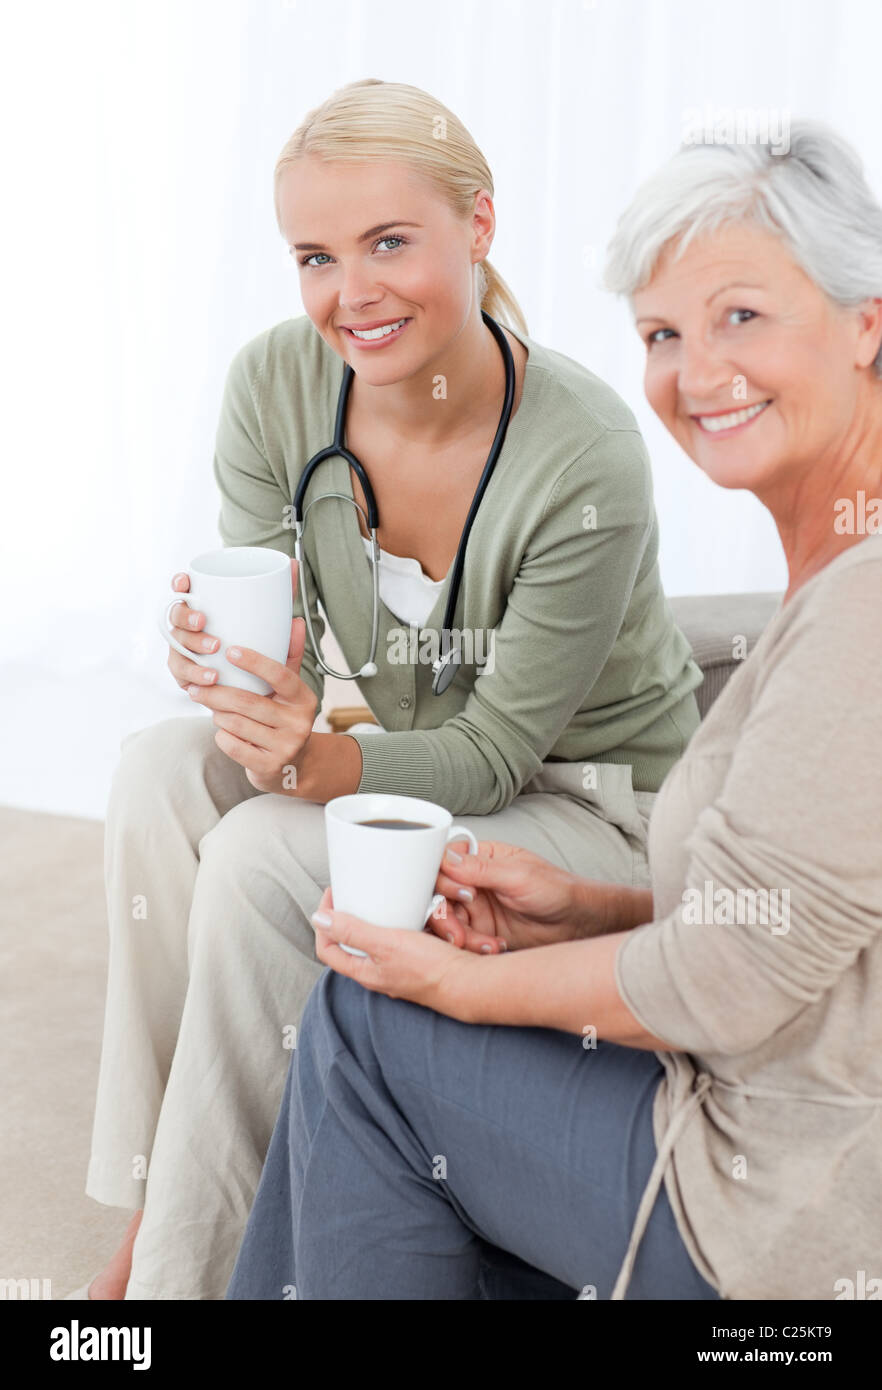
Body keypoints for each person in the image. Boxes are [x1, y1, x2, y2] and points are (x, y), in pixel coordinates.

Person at [226, 118, 882, 1302]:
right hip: (780, 1119)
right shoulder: (838, 571)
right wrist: (586, 911)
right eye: (663, 334)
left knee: (372, 1027)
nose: (698, 372)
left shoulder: (862, 610)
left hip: (785, 1207)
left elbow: (726, 982)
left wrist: (460, 986)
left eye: (743, 315)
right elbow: (816, 919)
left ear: (866, 320)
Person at [74, 79, 701, 1300]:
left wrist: (308, 764)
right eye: (316, 255)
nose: (349, 293)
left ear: (480, 226)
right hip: (404, 735)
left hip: (580, 797)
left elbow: (492, 757)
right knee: (156, 775)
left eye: (389, 243)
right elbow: (289, 634)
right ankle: (166, 1201)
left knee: (262, 857)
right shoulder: (277, 386)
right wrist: (239, 677)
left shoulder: (585, 451)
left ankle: (176, 1290)